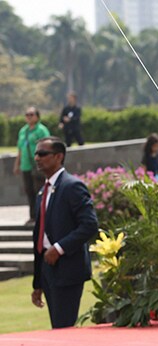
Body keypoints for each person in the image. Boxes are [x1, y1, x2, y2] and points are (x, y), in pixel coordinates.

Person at [31, 137, 99, 329]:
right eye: (36, 154)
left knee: (64, 328)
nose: (37, 158)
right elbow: (40, 237)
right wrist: (37, 283)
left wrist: (59, 248)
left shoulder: (72, 186)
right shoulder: (42, 192)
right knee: (58, 328)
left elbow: (89, 225)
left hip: (68, 268)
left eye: (43, 154)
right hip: (48, 269)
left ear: (59, 156)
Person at [14, 107, 52, 226]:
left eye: (31, 114)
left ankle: (42, 216)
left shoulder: (41, 130)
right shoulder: (23, 131)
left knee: (39, 190)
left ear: (37, 116)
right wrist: (17, 164)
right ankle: (33, 216)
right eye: (27, 114)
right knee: (29, 190)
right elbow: (20, 148)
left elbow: (48, 146)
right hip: (26, 165)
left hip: (38, 164)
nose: (28, 117)